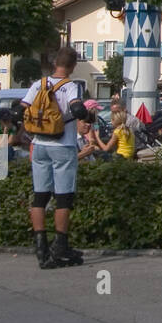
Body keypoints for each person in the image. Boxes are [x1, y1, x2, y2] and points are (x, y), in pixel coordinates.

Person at [22, 46, 97, 269]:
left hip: (39, 144)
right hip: (62, 144)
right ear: (73, 66)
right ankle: (61, 246)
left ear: (55, 63)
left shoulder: (39, 84)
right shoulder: (71, 86)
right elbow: (76, 110)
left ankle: (40, 246)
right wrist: (85, 114)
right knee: (63, 197)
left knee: (40, 196)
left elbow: (22, 109)